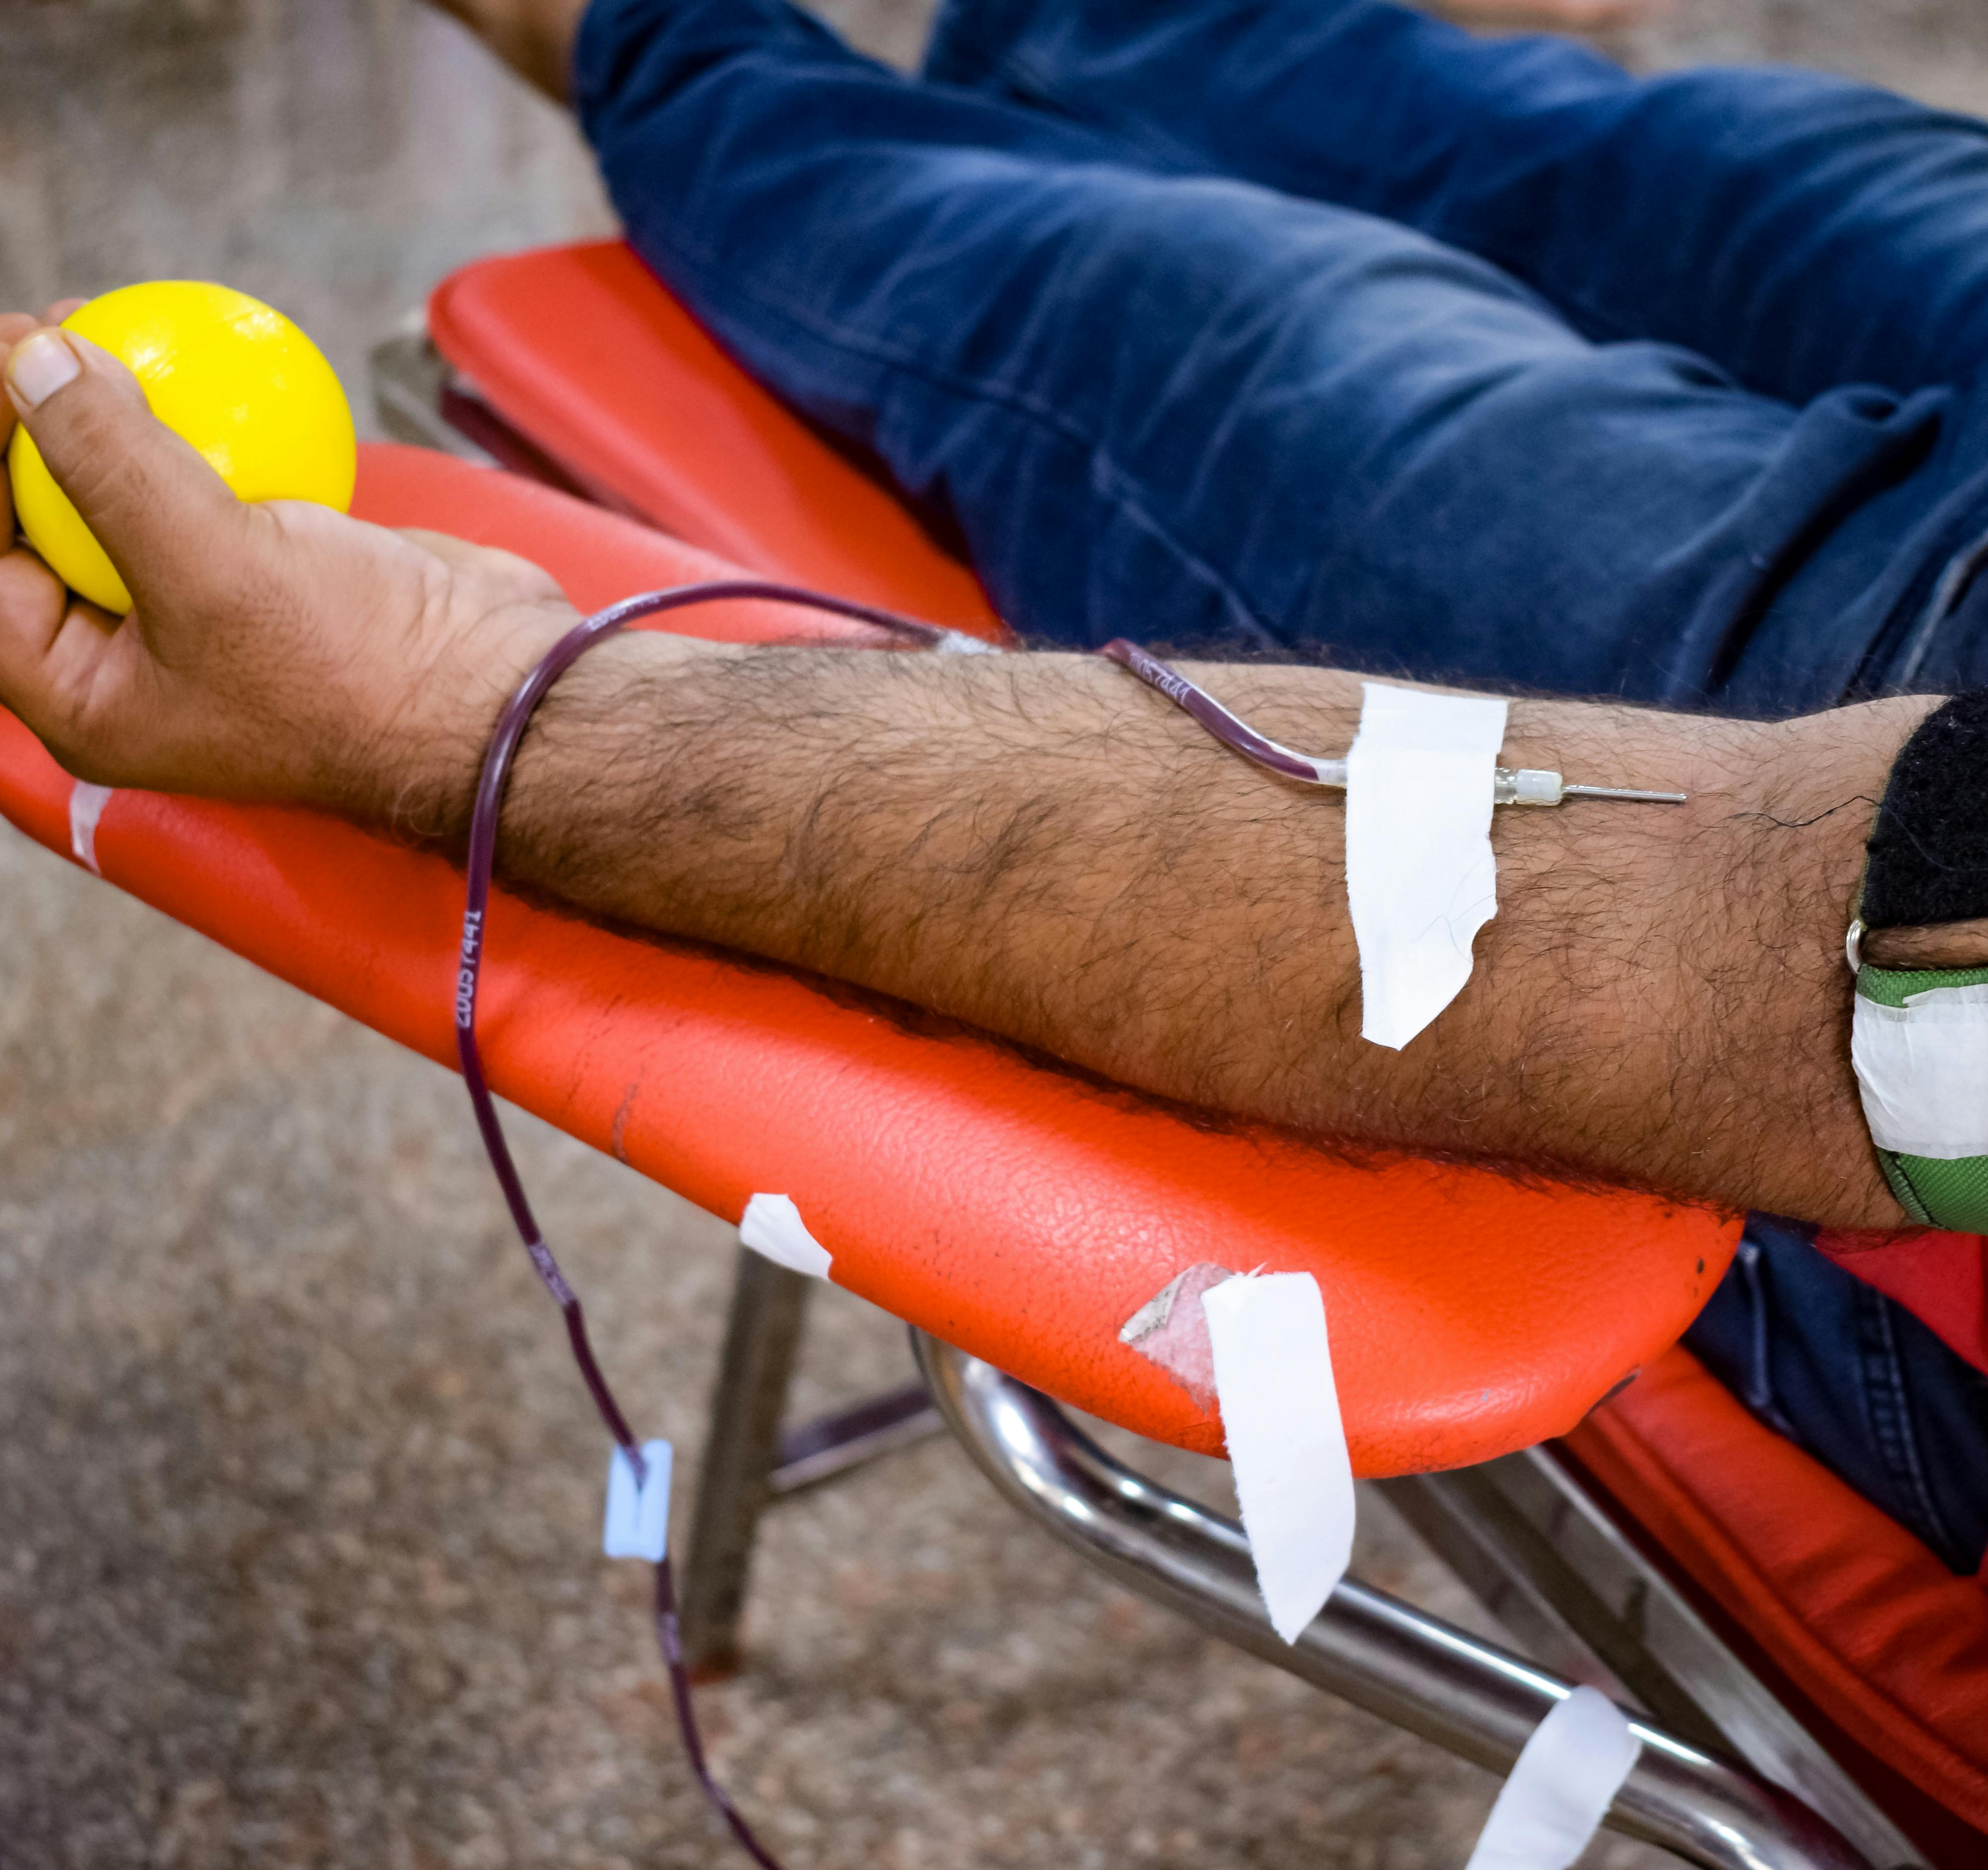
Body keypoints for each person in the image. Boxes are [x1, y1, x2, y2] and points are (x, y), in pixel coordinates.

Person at [7, 0, 1988, 1570]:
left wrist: (470, 712)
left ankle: (633, 28)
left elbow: (1670, 940)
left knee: (1185, 316)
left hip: (1874, 845)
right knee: (1555, 138)